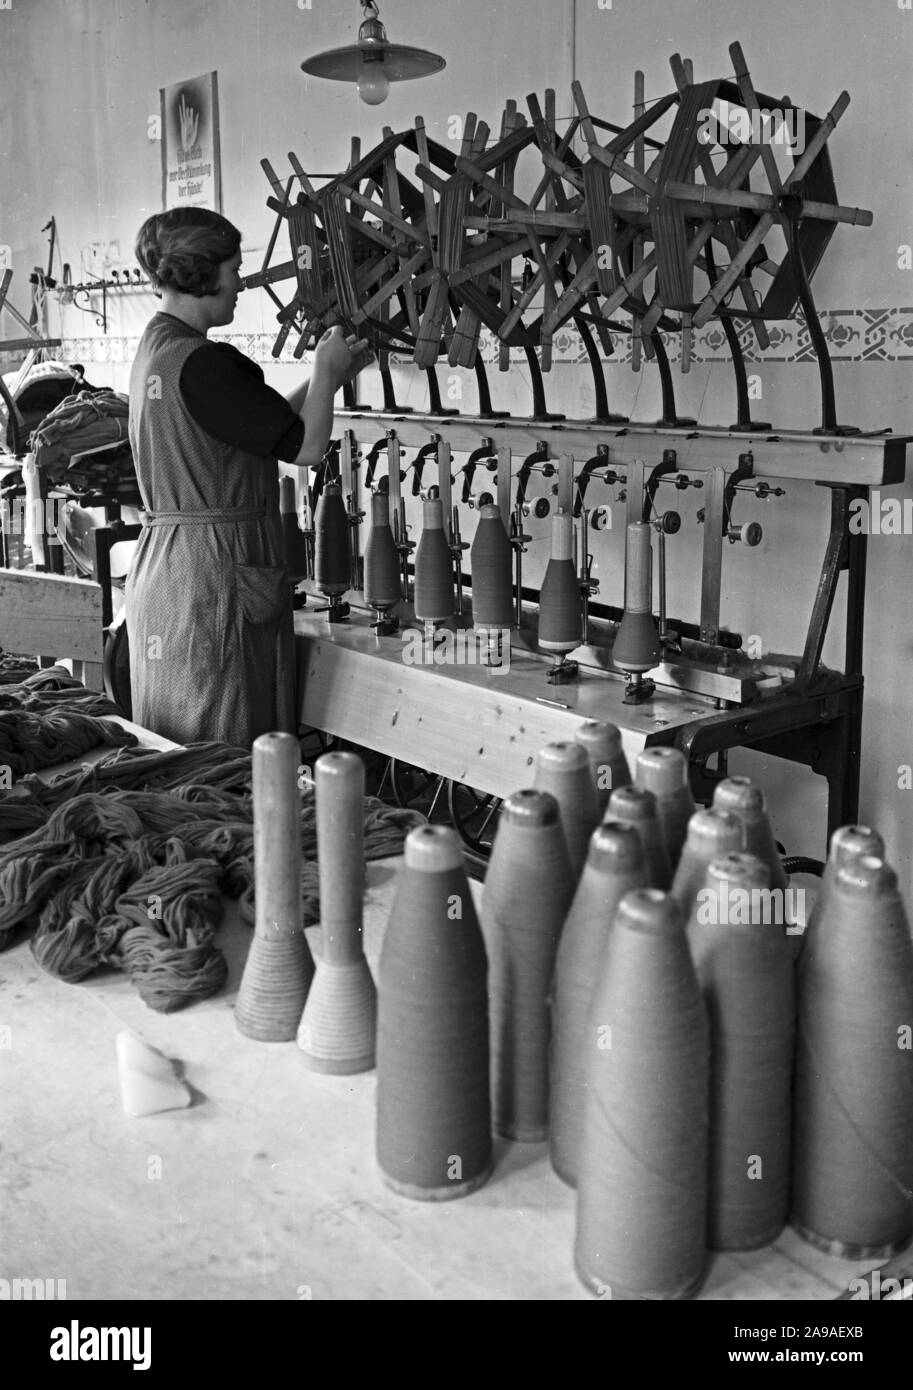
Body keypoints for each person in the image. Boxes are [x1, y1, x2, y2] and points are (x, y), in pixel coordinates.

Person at [127, 206, 369, 748]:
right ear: (202, 274)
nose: (241, 283)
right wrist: (326, 374)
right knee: (229, 747)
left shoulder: (158, 349)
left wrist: (323, 380)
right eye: (234, 269)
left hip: (169, 572)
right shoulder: (207, 363)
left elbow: (261, 428)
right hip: (214, 577)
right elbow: (306, 449)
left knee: (182, 748)